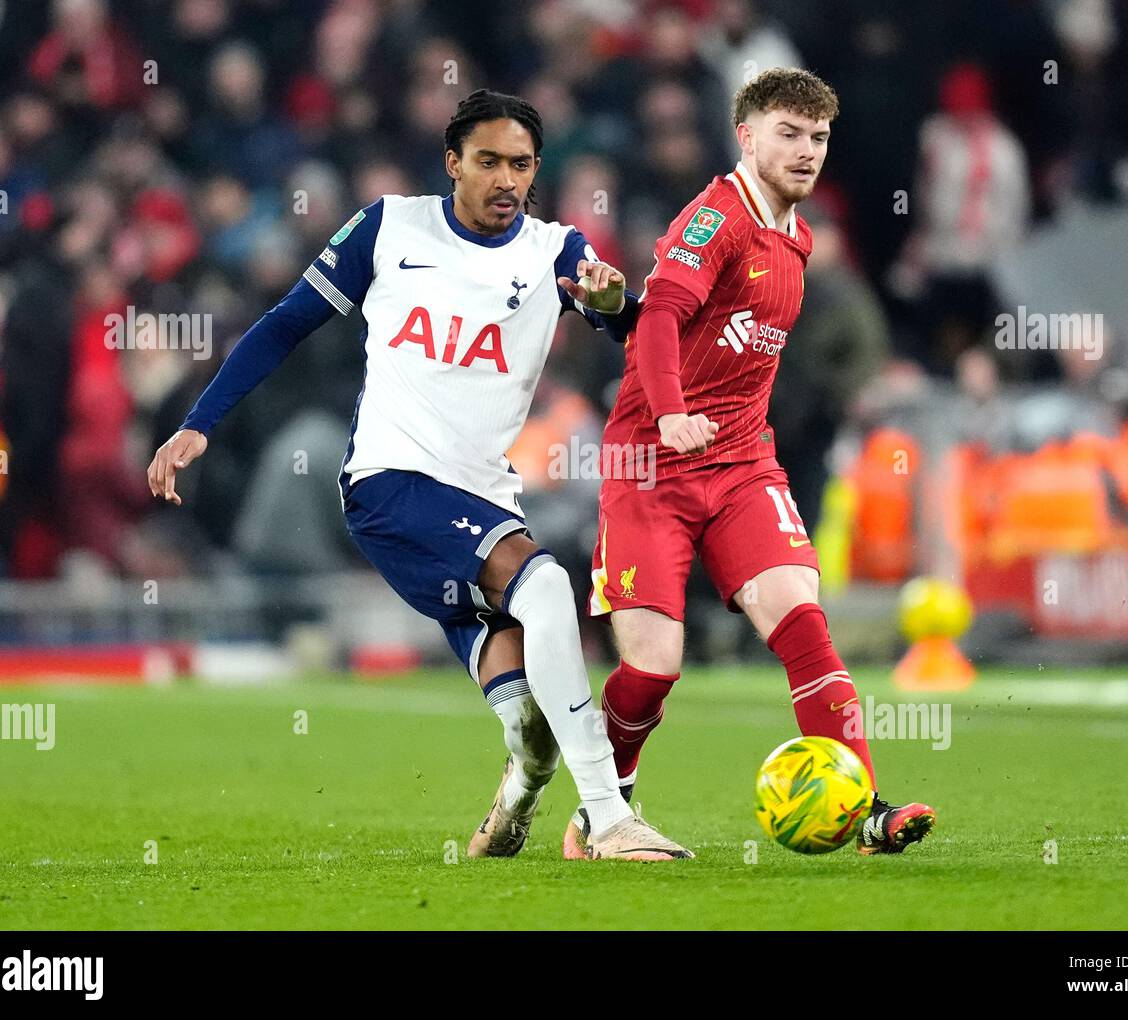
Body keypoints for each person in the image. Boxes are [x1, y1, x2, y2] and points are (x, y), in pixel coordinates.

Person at [147, 89, 690, 862]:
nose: (507, 179)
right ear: (453, 163)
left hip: (483, 494)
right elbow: (284, 323)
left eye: (523, 165)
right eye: (490, 161)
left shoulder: (555, 251)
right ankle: (608, 817)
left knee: (529, 714)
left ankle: (520, 790)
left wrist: (620, 307)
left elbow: (632, 327)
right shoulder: (389, 226)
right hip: (388, 482)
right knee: (541, 589)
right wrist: (199, 423)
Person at [579, 68, 935, 856]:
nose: (806, 152)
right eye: (789, 133)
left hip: (742, 463)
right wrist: (670, 413)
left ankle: (868, 808)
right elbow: (664, 316)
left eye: (818, 138)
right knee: (653, 668)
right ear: (747, 136)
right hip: (652, 465)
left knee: (805, 622)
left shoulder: (797, 234)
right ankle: (603, 806)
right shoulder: (715, 219)